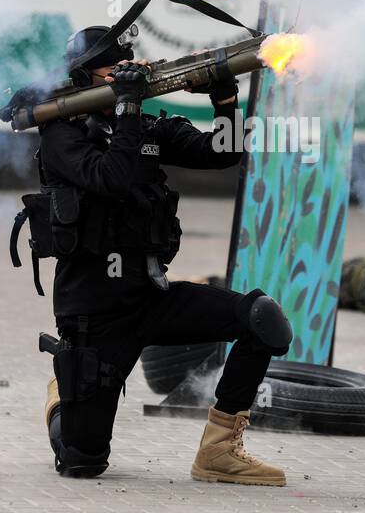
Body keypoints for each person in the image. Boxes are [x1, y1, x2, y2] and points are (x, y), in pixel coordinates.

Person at [31, 26, 292, 484]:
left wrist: (224, 98)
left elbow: (224, 153)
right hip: (94, 311)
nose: (128, 76)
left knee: (263, 320)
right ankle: (63, 397)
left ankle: (218, 453)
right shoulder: (62, 137)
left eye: (129, 69)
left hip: (151, 295)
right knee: (82, 461)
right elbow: (112, 176)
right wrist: (129, 106)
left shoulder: (146, 127)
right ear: (83, 78)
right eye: (114, 71)